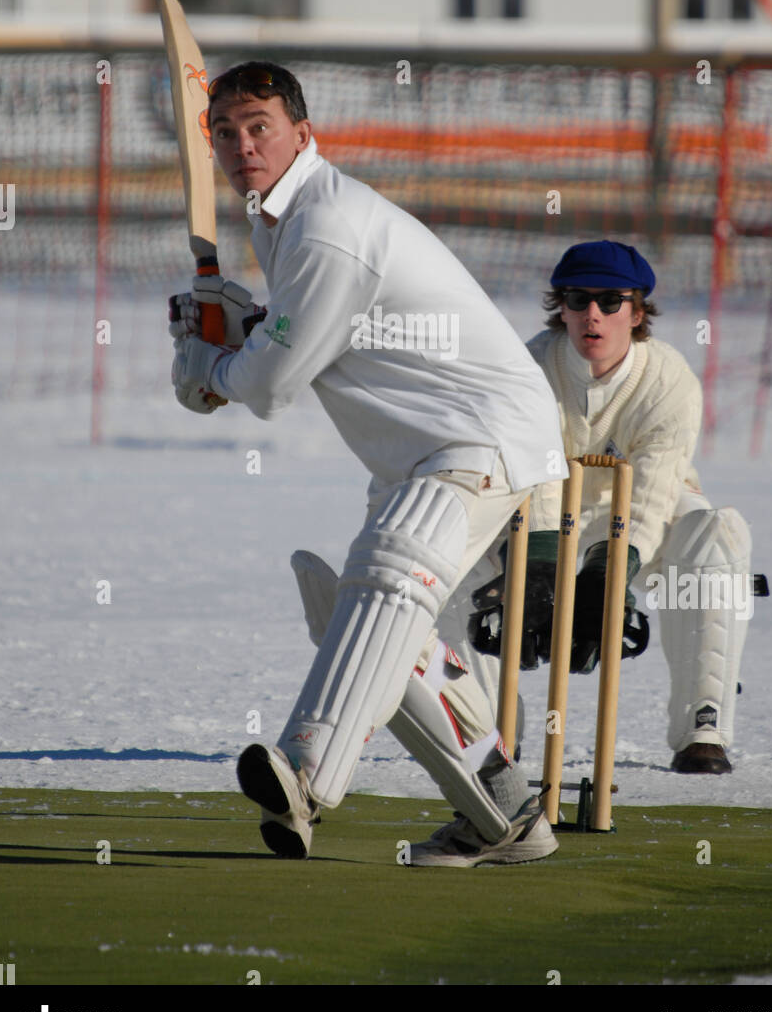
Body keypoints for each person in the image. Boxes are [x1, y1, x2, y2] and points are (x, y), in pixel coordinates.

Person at [168, 60, 567, 866]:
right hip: (419, 450)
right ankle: (504, 811)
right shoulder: (278, 222)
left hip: (484, 433)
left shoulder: (327, 225)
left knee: (387, 576)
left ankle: (304, 774)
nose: (242, 145)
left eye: (260, 129)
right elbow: (301, 340)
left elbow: (276, 384)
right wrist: (232, 330)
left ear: (302, 135)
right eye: (225, 132)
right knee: (382, 626)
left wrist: (210, 372)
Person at [465, 239, 759, 775]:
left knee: (720, 536)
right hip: (539, 514)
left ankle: (703, 725)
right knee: (452, 537)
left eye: (610, 301)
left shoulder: (668, 379)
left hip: (641, 517)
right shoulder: (529, 368)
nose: (592, 315)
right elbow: (539, 473)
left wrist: (611, 570)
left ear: (638, 311)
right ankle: (492, 724)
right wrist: (541, 567)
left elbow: (654, 487)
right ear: (562, 308)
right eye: (577, 300)